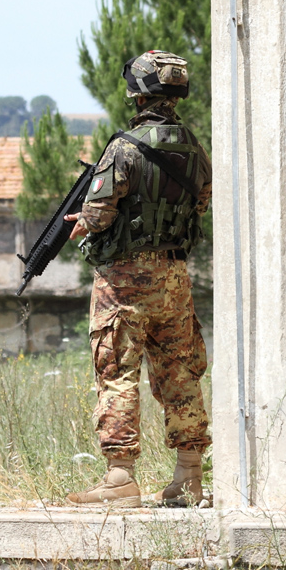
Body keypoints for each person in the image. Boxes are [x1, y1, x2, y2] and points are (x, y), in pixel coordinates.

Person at [63, 50, 213, 508]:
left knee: (117, 372)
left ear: (138, 91)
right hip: (173, 278)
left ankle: (120, 479)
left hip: (124, 281)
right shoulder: (193, 148)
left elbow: (99, 211)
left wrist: (84, 223)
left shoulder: (123, 147)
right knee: (180, 370)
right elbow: (201, 204)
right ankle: (189, 477)